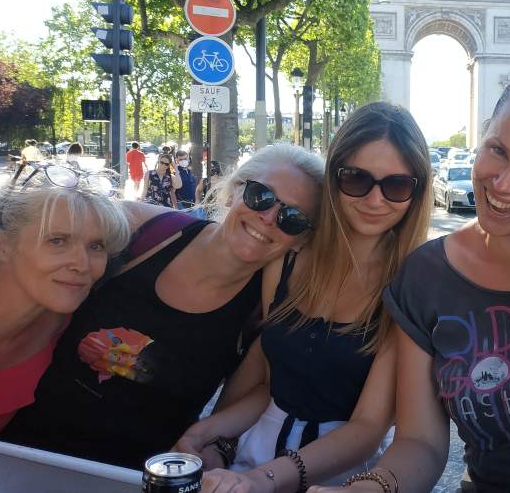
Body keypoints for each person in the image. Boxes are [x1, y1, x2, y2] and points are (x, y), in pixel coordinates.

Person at [310, 48, 510, 493]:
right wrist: (371, 487)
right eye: (497, 150)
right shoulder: (424, 276)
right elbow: (420, 442)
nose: (501, 183)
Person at [0, 144, 325, 469]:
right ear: (232, 192)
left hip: (139, 476)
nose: (268, 218)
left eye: (292, 218)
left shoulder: (264, 310)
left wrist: (217, 450)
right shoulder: (143, 231)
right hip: (20, 454)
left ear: (301, 239)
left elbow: (235, 412)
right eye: (261, 196)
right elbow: (21, 247)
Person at [176, 102, 433, 493]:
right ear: (334, 177)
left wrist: (264, 478)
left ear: (417, 191)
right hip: (252, 456)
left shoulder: (409, 285)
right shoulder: (287, 258)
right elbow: (273, 384)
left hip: (340, 477)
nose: (375, 199)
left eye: (396, 185)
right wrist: (207, 434)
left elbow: (367, 428)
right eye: (356, 179)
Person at [0, 166, 130, 437]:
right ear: (1, 244)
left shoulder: (70, 327)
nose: (82, 265)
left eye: (96, 246)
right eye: (57, 241)